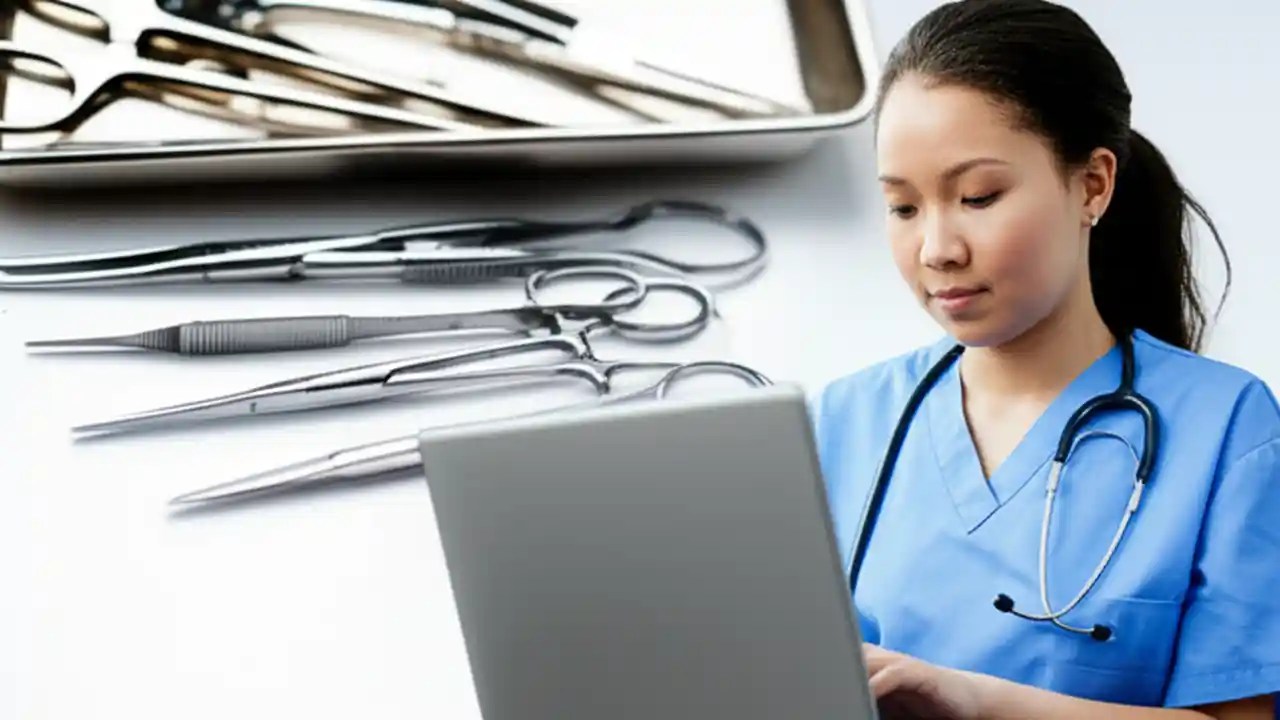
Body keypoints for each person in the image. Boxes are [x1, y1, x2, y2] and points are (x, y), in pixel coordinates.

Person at [809, 1, 1280, 718]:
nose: (937, 249)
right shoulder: (847, 420)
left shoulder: (1227, 429)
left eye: (978, 197)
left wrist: (976, 700)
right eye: (903, 208)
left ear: (1092, 185)